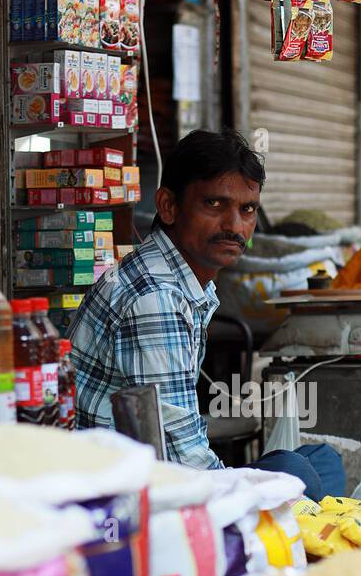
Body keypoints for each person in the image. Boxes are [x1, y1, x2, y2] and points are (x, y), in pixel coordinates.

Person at [69, 128, 344, 498]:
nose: (234, 226)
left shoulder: (180, 280)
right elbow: (185, 465)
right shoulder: (157, 296)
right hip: (126, 490)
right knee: (300, 473)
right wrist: (250, 483)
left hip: (158, 472)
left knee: (321, 460)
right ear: (168, 206)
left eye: (247, 210)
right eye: (214, 205)